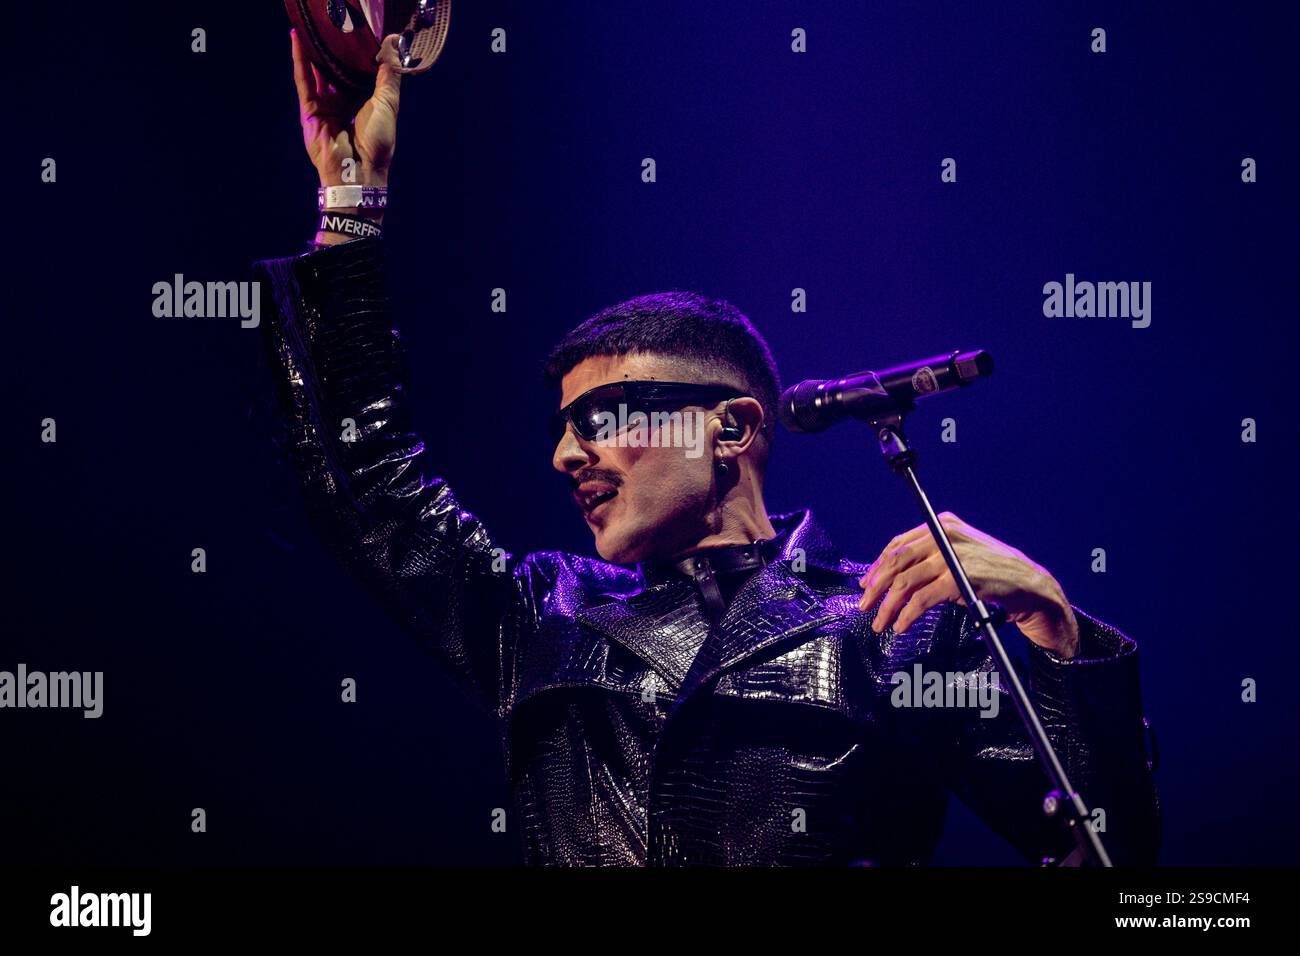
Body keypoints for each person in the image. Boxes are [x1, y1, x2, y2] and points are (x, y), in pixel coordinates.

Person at [254, 31, 1160, 866]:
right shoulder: (542, 616)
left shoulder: (897, 621)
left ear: (730, 427)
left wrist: (1056, 630)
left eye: (603, 418)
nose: (565, 456)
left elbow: (1116, 875)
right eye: (562, 428)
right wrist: (351, 209)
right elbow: (366, 483)